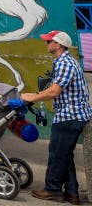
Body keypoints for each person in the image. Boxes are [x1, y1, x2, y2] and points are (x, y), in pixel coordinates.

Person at [22, 30, 91, 204]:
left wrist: (33, 97)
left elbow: (54, 90)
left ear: (58, 44)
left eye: (48, 41)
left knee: (57, 154)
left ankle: (52, 189)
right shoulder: (63, 62)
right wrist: (37, 94)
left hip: (70, 115)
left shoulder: (65, 63)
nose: (46, 44)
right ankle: (72, 193)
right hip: (70, 114)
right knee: (65, 154)